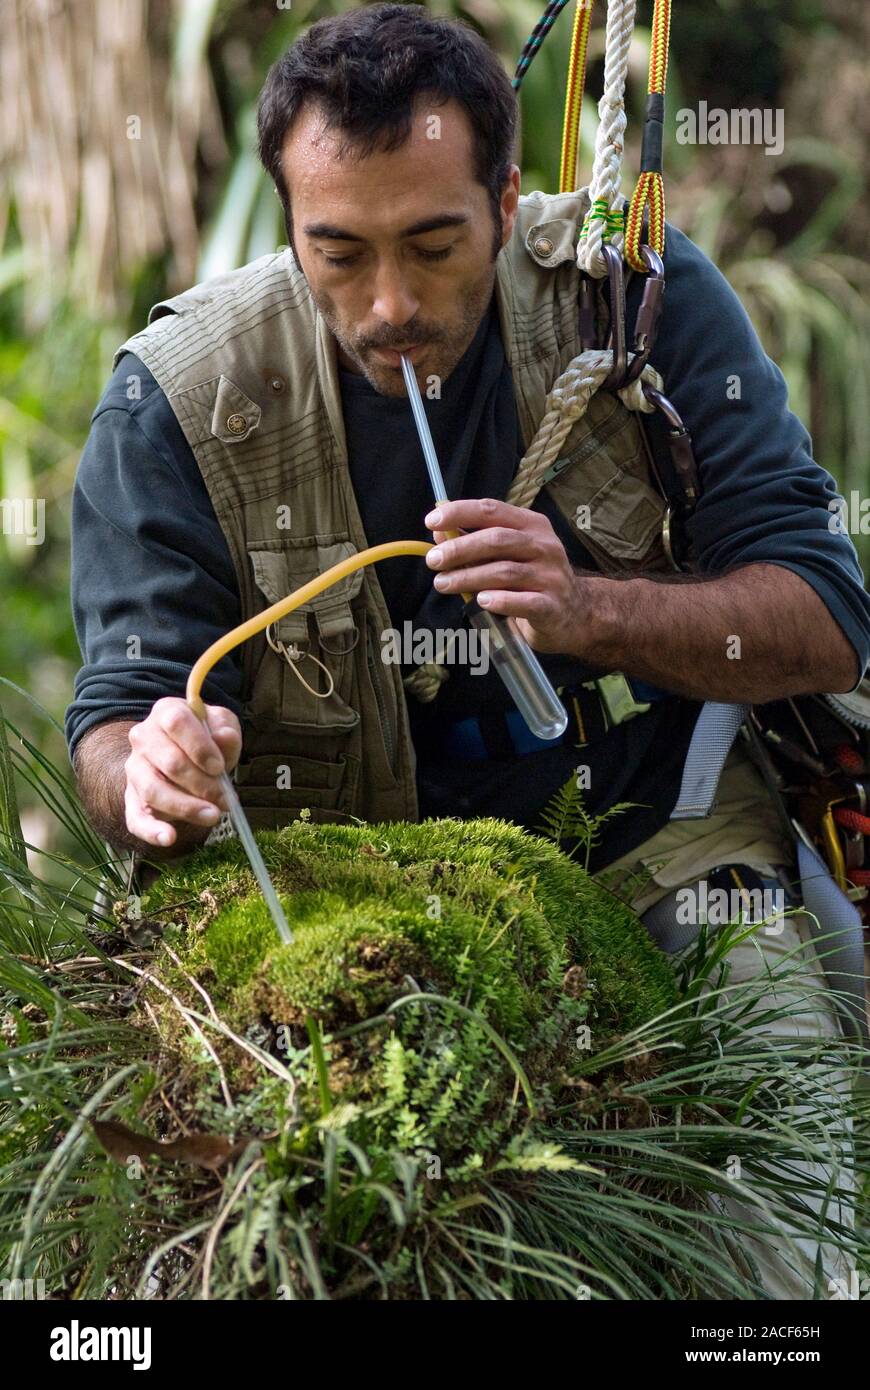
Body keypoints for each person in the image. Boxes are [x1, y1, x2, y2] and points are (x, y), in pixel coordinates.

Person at [65, 4, 868, 1297]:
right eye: (339, 254)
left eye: (434, 246)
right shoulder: (181, 394)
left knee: (795, 1249)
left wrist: (595, 611)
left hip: (662, 840)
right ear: (287, 225)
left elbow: (825, 615)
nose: (389, 305)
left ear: (505, 198)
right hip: (336, 901)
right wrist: (151, 770)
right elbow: (111, 722)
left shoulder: (632, 293)